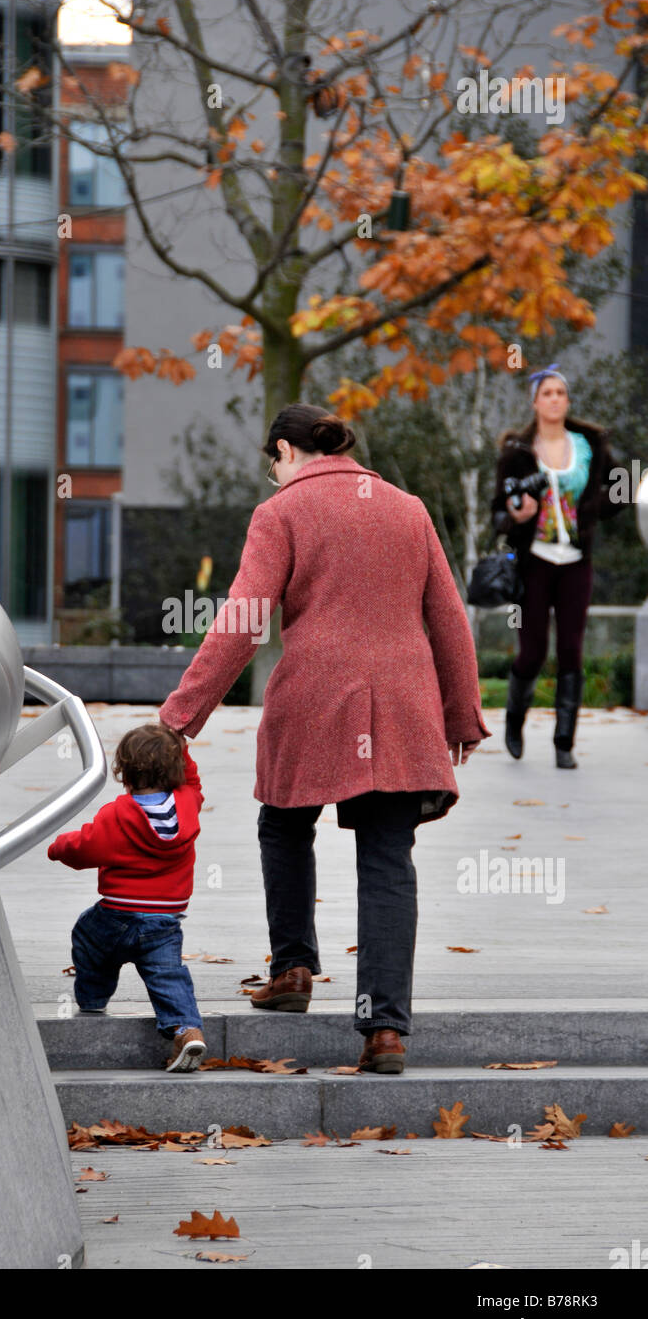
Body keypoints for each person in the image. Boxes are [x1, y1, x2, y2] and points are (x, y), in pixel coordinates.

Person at [159, 403, 491, 1075]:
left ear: (283, 450)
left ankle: (293, 970)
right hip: (402, 706)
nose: (274, 474)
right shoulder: (408, 508)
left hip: (313, 698)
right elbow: (448, 618)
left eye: (272, 463)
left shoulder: (280, 513)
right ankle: (384, 1030)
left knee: (283, 825)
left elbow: (242, 621)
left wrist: (178, 720)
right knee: (387, 859)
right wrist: (461, 715)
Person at [47, 723, 207, 1072]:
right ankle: (186, 1029)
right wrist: (182, 745)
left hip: (115, 917)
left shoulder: (116, 815)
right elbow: (193, 782)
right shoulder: (188, 805)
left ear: (125, 773)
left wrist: (58, 848)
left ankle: (92, 997)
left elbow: (85, 848)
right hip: (164, 924)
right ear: (177, 772)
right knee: (168, 977)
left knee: (87, 940)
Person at [491, 364, 628, 768]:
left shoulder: (590, 445)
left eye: (560, 393)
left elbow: (624, 481)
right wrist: (516, 515)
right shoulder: (517, 451)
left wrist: (592, 511)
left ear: (567, 402)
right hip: (533, 562)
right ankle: (514, 721)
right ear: (535, 402)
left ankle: (563, 743)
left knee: (571, 649)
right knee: (531, 651)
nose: (554, 399)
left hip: (575, 561)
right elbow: (497, 509)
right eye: (547, 393)